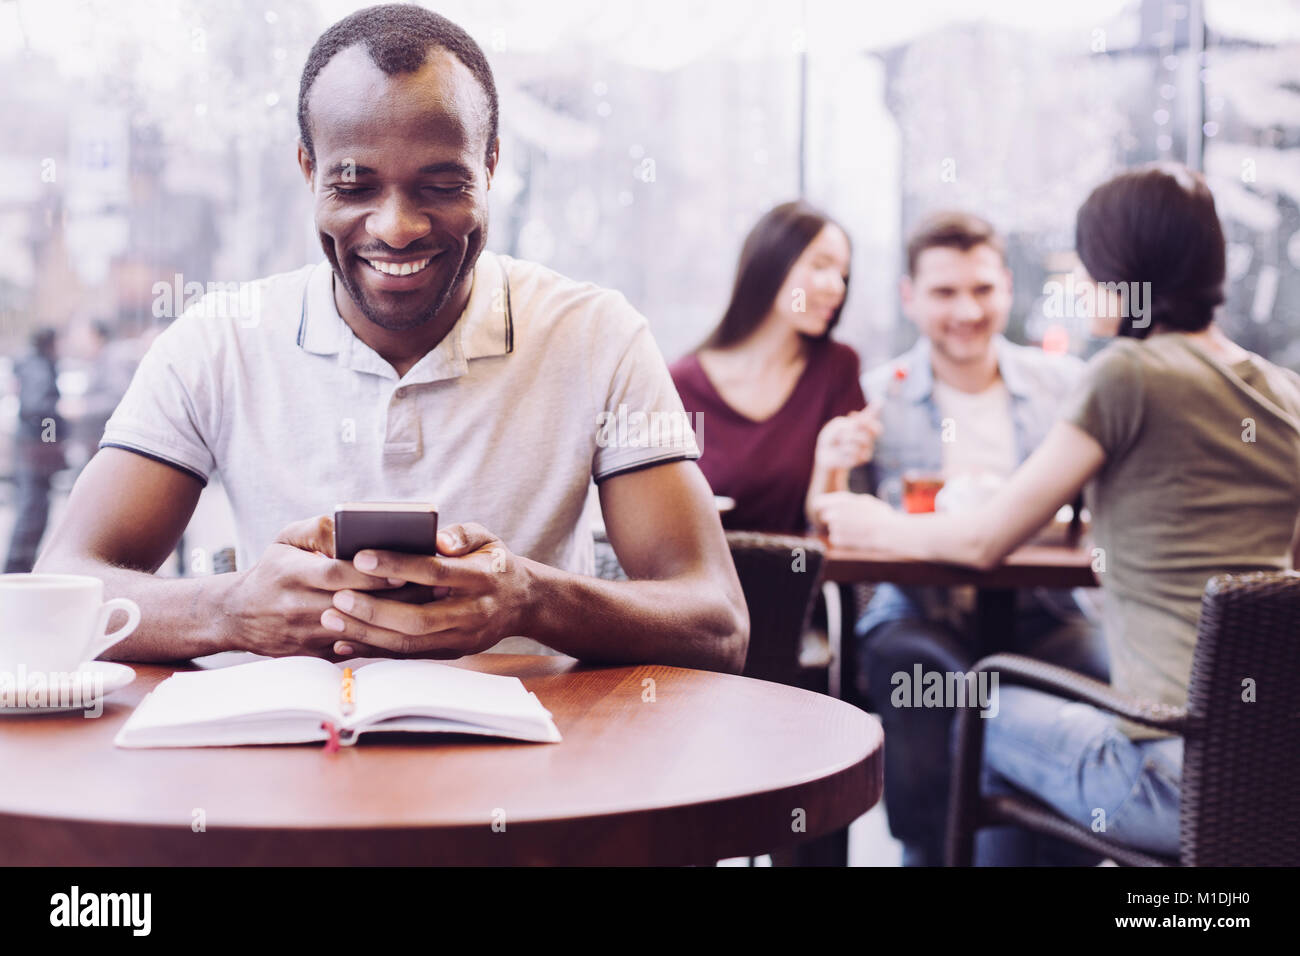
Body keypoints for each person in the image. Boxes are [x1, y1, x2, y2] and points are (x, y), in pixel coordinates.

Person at [36, 4, 747, 672]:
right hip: (289, 773)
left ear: (490, 167)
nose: (396, 227)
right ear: (309, 170)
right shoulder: (216, 342)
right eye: (354, 185)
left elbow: (717, 623)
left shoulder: (598, 335)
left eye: (441, 185)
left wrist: (531, 600)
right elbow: (61, 594)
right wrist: (229, 611)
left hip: (533, 774)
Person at [816, 163, 1300, 864]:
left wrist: (876, 525)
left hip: (1166, 781)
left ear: (1124, 270)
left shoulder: (1125, 373)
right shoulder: (1285, 393)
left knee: (979, 708)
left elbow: (985, 539)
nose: (1077, 282)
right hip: (1269, 777)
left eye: (1087, 263)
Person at [832, 211, 1108, 867]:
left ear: (1007, 289)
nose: (967, 310)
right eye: (945, 292)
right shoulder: (878, 399)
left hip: (1048, 614)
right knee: (913, 671)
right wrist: (835, 462)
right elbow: (838, 520)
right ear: (910, 297)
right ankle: (934, 854)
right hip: (923, 616)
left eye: (983, 290)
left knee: (1100, 673)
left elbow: (1104, 512)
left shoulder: (1065, 386)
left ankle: (1058, 849)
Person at [670, 201, 874, 534]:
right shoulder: (680, 384)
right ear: (770, 263)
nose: (836, 287)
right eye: (821, 266)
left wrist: (828, 466)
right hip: (700, 582)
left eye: (843, 275)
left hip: (798, 580)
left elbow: (830, 526)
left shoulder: (837, 368)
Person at [5, 327, 67, 573]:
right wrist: (50, 437)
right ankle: (15, 572)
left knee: (35, 511)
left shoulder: (35, 365)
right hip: (35, 452)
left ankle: (19, 570)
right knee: (32, 511)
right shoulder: (38, 367)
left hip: (34, 449)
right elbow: (38, 407)